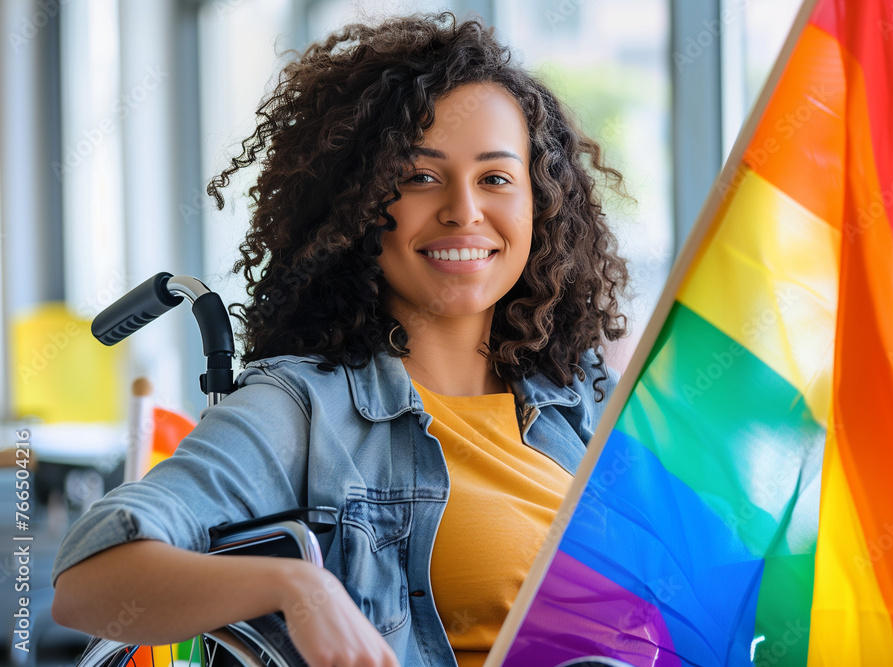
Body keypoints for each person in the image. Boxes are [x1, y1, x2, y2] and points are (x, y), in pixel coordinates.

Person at [51, 12, 629, 667]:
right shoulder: (307, 410)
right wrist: (295, 586)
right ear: (356, 208)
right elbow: (87, 580)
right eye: (419, 176)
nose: (464, 209)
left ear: (540, 205)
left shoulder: (581, 399)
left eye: (495, 178)